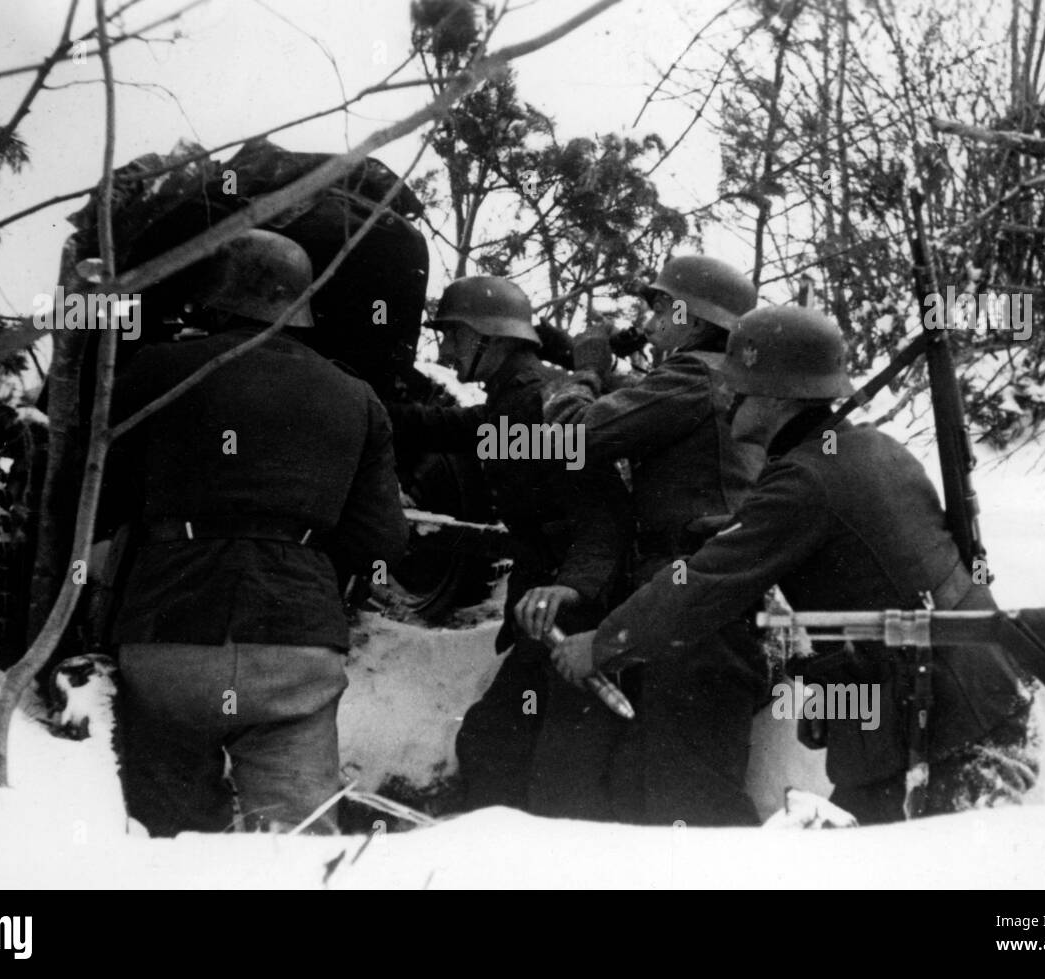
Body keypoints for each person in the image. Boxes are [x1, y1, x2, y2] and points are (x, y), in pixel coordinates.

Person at [550, 305, 1038, 825]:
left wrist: (602, 645)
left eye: (741, 385)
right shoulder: (870, 446)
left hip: (940, 730)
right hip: (978, 698)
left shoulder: (804, 480)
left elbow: (701, 587)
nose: (728, 393)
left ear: (781, 396)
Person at [103, 229, 408, 835]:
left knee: (169, 844)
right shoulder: (355, 396)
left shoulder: (157, 370)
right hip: (293, 646)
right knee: (298, 841)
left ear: (215, 295)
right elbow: (383, 541)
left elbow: (101, 497)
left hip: (167, 635)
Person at [516, 254, 768, 826]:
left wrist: (581, 373)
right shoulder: (724, 380)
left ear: (694, 317)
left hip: (694, 608)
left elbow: (573, 436)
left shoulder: (692, 377)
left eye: (659, 307)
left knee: (693, 797)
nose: (650, 322)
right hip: (700, 598)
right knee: (657, 789)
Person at [386, 276, 630, 812]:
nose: (444, 352)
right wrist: (371, 408)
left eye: (451, 337)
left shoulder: (544, 402)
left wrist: (569, 589)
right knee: (496, 745)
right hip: (554, 607)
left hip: (580, 613)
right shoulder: (515, 401)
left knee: (557, 775)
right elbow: (458, 427)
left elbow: (602, 514)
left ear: (489, 339)